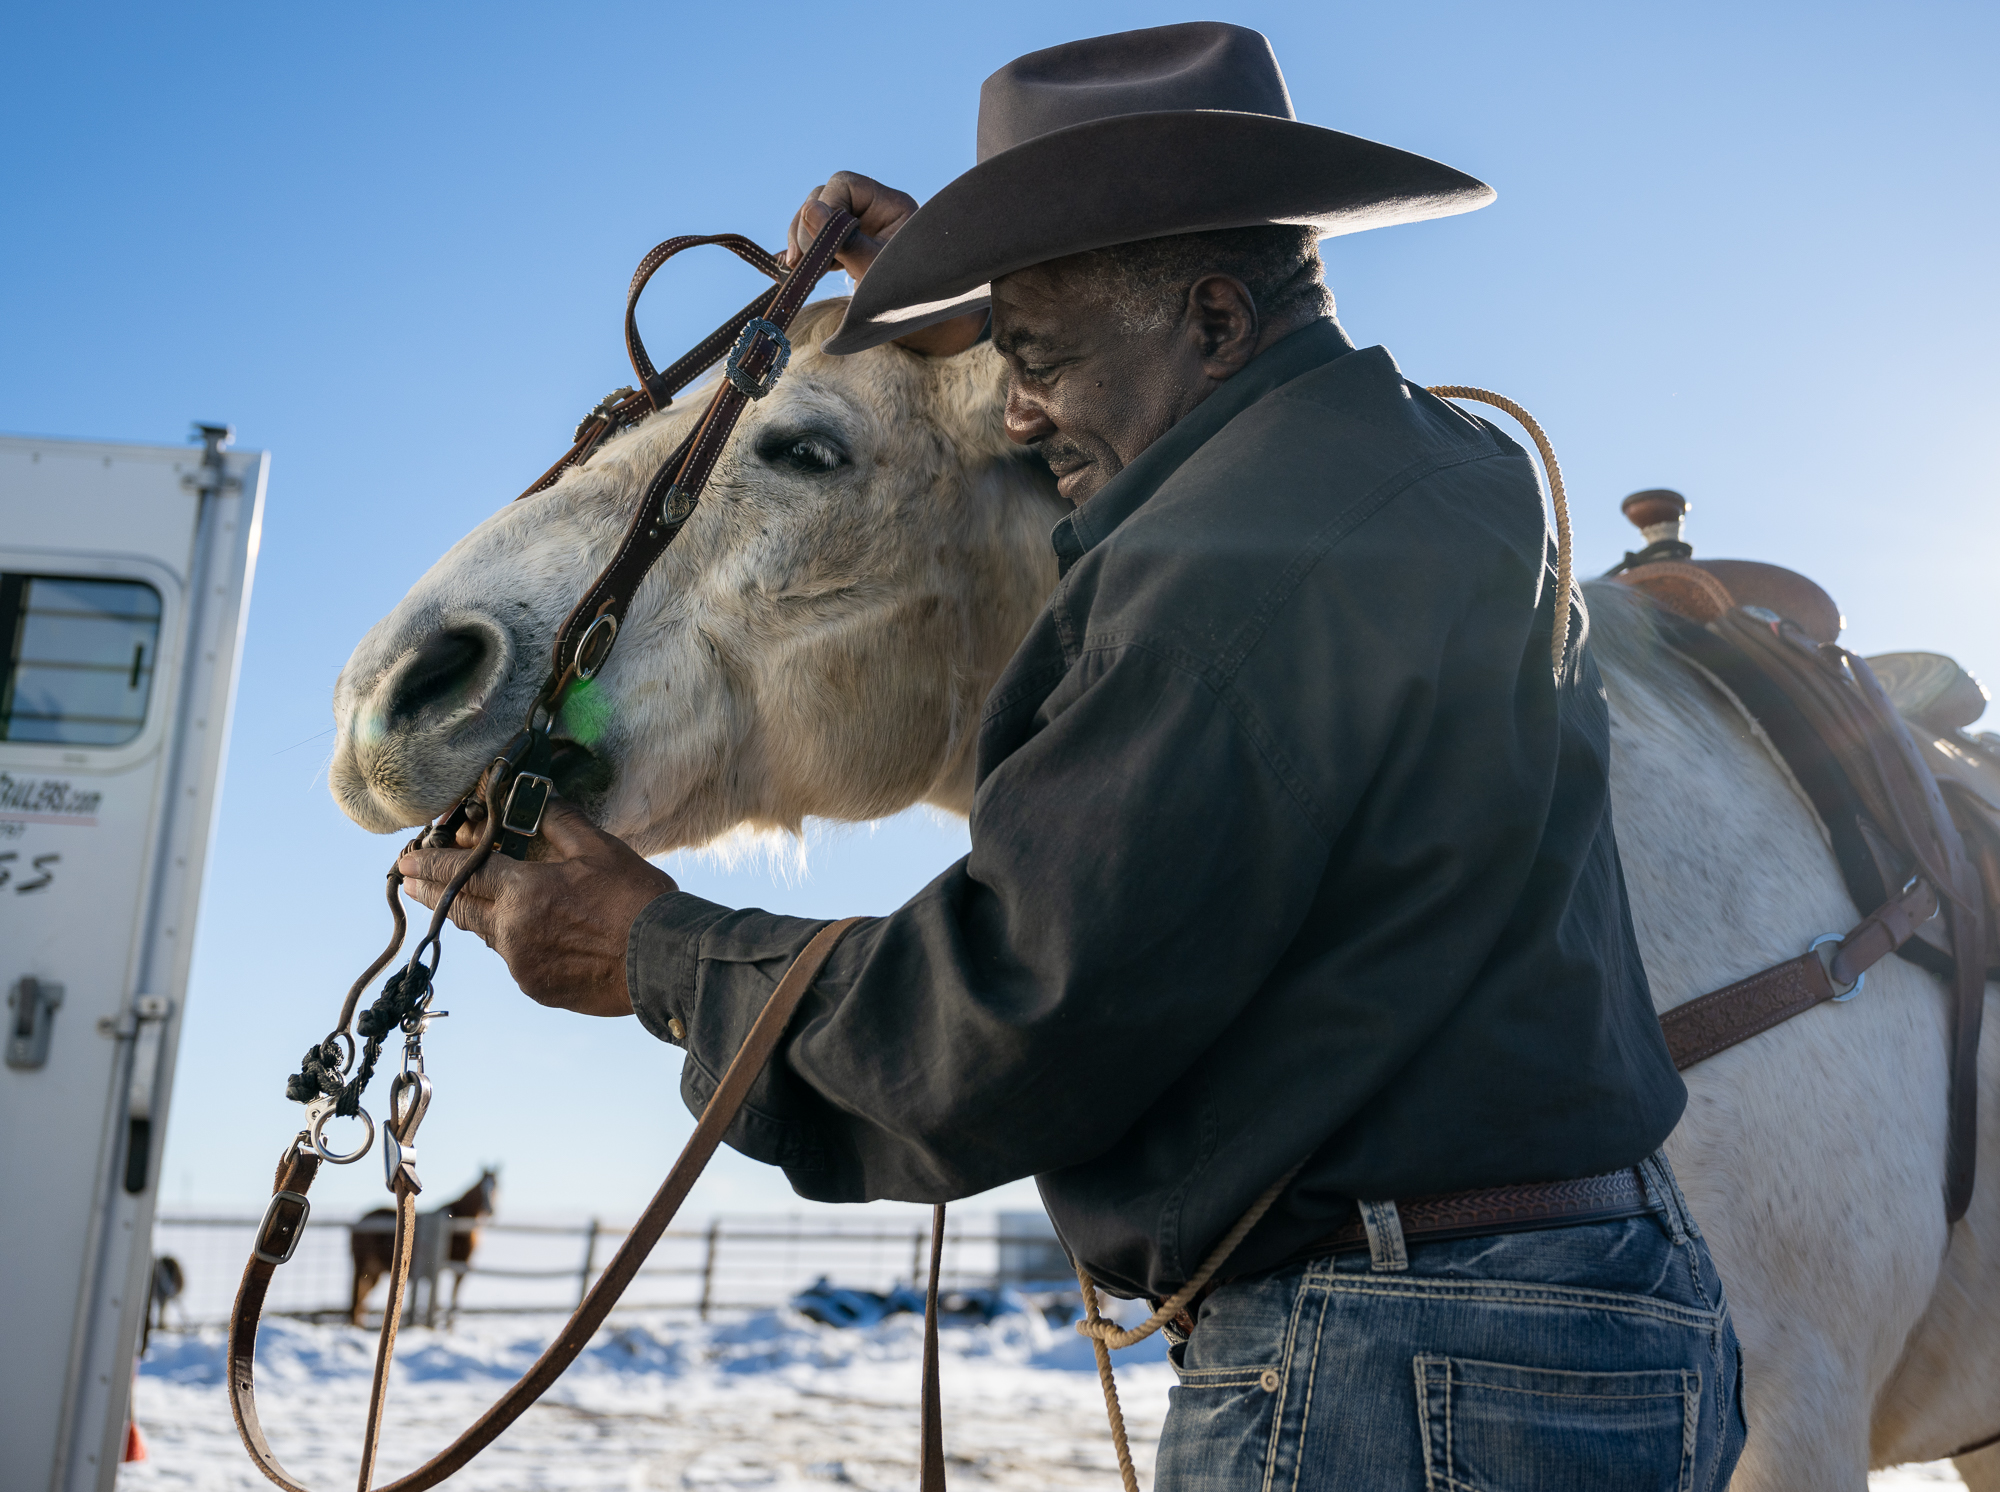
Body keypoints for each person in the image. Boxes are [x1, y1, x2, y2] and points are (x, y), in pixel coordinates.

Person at [402, 22, 1747, 1489]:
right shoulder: (1428, 472)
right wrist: (983, 314)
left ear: (1219, 324)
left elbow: (1008, 1012)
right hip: (1570, 1319)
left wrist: (645, 948)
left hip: (1394, 1358)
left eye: (1040, 363)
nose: (1021, 411)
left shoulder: (1233, 567)